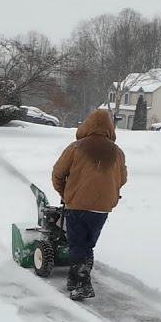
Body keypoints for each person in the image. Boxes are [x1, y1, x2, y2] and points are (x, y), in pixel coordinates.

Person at [51, 109, 128, 301]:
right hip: (102, 208)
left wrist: (65, 194)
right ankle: (74, 278)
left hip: (77, 205)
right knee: (87, 245)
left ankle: (82, 284)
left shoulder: (76, 147)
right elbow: (123, 178)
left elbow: (58, 173)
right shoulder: (117, 152)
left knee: (77, 245)